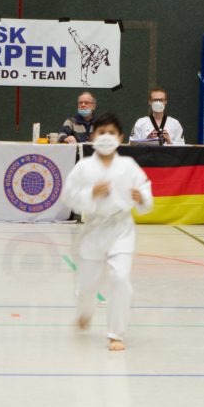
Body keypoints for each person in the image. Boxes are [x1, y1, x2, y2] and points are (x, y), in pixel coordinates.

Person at [63, 114, 152, 351]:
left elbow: (145, 189)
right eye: (101, 132)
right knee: (87, 285)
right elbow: (69, 197)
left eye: (111, 133)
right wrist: (90, 193)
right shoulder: (83, 167)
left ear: (120, 138)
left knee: (120, 278)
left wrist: (141, 197)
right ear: (92, 136)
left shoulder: (129, 166)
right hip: (94, 229)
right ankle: (85, 311)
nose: (106, 137)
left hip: (121, 228)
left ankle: (116, 334)